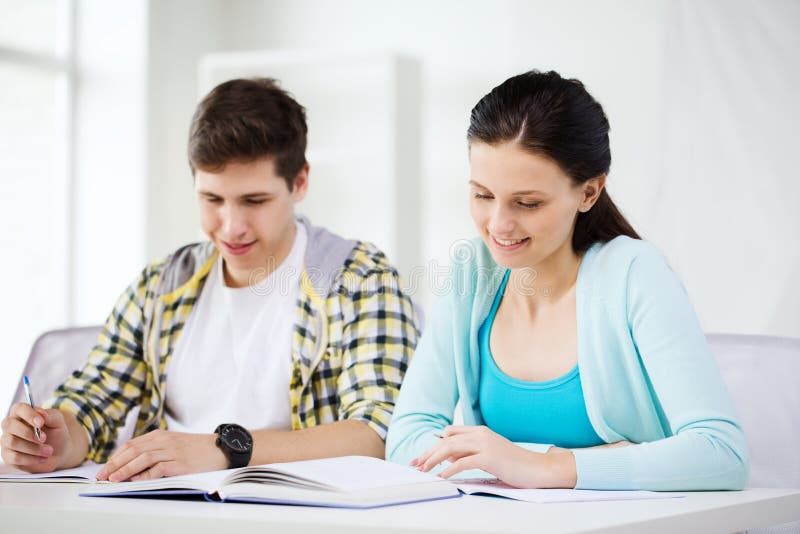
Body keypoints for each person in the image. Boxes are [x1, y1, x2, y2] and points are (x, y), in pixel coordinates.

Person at [1, 78, 419, 481]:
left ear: (300, 182)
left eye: (254, 201)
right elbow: (91, 404)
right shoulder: (160, 287)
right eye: (212, 199)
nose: (231, 226)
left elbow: (378, 434)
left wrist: (224, 449)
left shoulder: (361, 279)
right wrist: (58, 438)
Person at [385, 70, 748, 491]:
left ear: (589, 192)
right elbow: (406, 437)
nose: (498, 224)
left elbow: (723, 453)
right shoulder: (471, 273)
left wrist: (544, 468)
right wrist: (536, 462)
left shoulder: (635, 275)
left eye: (527, 202)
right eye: (483, 195)